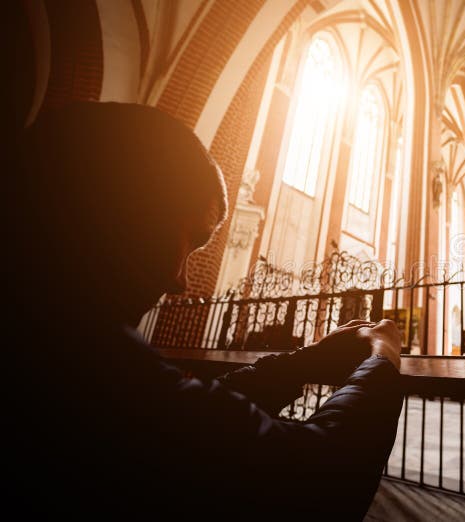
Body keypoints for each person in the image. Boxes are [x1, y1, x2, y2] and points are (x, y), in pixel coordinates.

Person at [7, 102, 404, 519]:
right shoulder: (73, 350)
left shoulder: (46, 323)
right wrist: (383, 355)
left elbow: (184, 422)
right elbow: (317, 481)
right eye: (188, 240)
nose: (180, 281)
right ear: (129, 209)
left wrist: (306, 362)